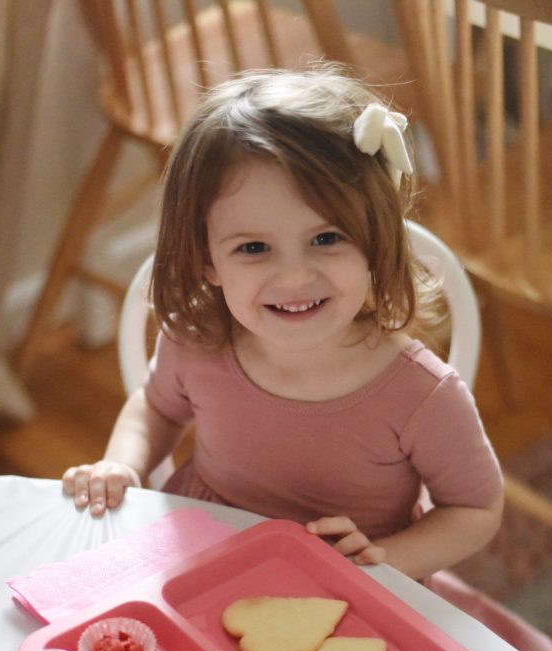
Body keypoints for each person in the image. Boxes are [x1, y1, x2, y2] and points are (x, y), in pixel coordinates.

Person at [63, 63, 505, 583]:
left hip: (350, 590)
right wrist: (123, 464)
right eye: (253, 248)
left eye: (326, 239)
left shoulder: (422, 395)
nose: (294, 277)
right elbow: (156, 409)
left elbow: (475, 509)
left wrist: (386, 561)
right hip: (207, 559)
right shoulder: (195, 341)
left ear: (375, 240)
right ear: (206, 259)